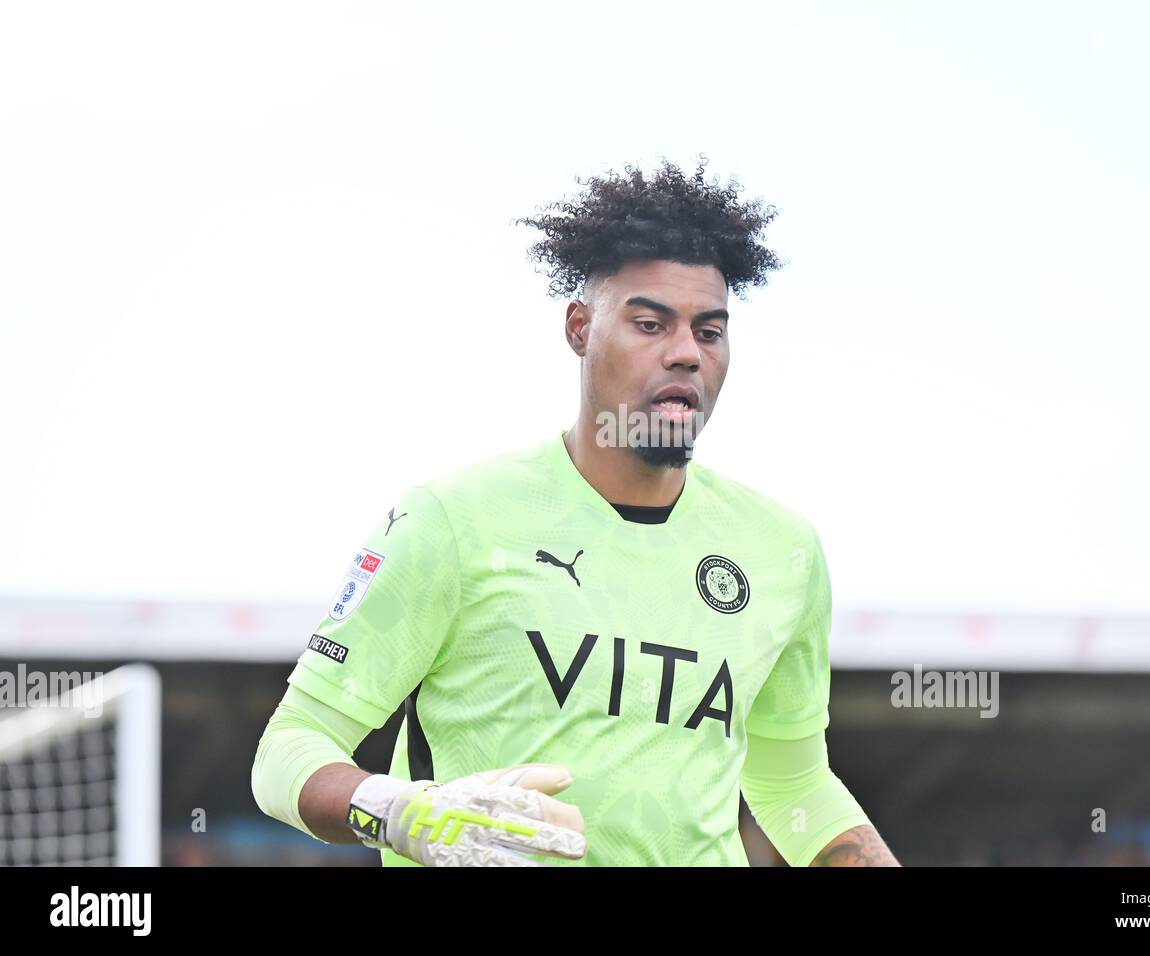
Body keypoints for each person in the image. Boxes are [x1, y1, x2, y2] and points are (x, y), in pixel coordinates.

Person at [251, 156, 900, 867]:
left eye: (709, 332)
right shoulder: (454, 521)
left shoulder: (784, 551)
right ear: (580, 328)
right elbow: (288, 750)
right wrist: (399, 811)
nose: (685, 353)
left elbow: (792, 781)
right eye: (650, 323)